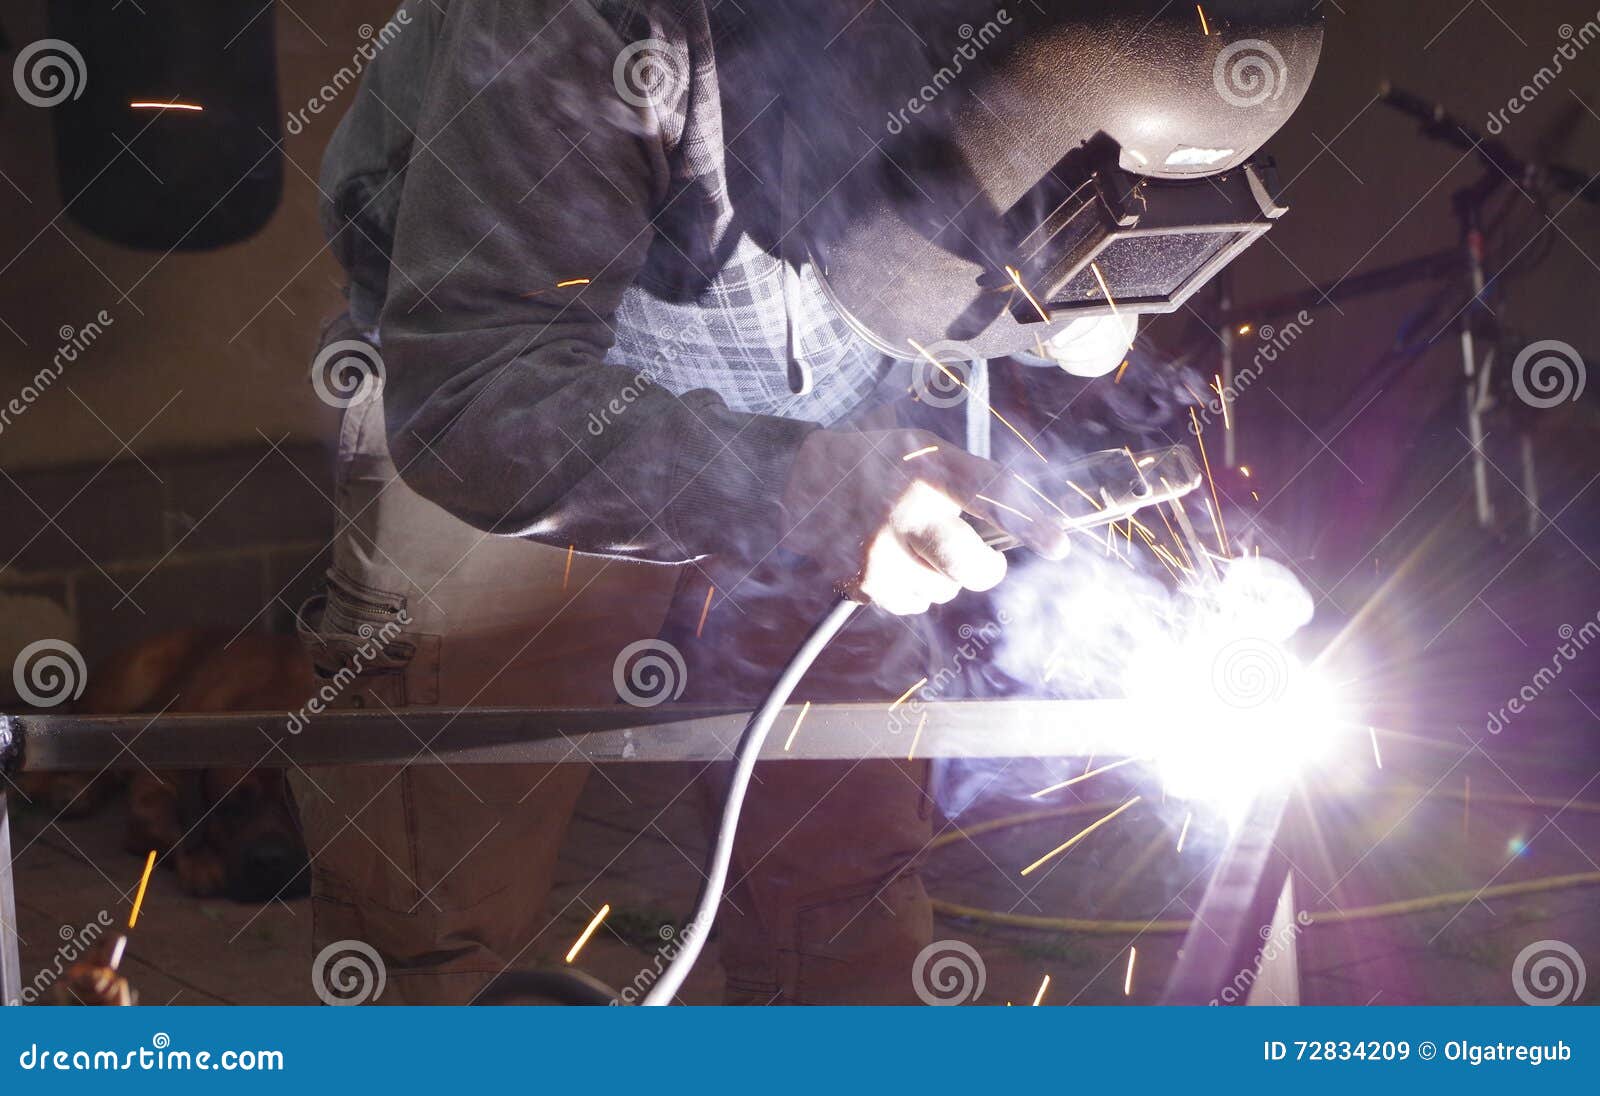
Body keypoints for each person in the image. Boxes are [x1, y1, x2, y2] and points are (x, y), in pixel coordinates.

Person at [293, 0, 1323, 1003]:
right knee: (431, 912)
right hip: (534, 405)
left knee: (844, 913)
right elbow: (473, 388)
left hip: (858, 427)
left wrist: (1062, 305)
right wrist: (786, 485)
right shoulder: (584, 21)